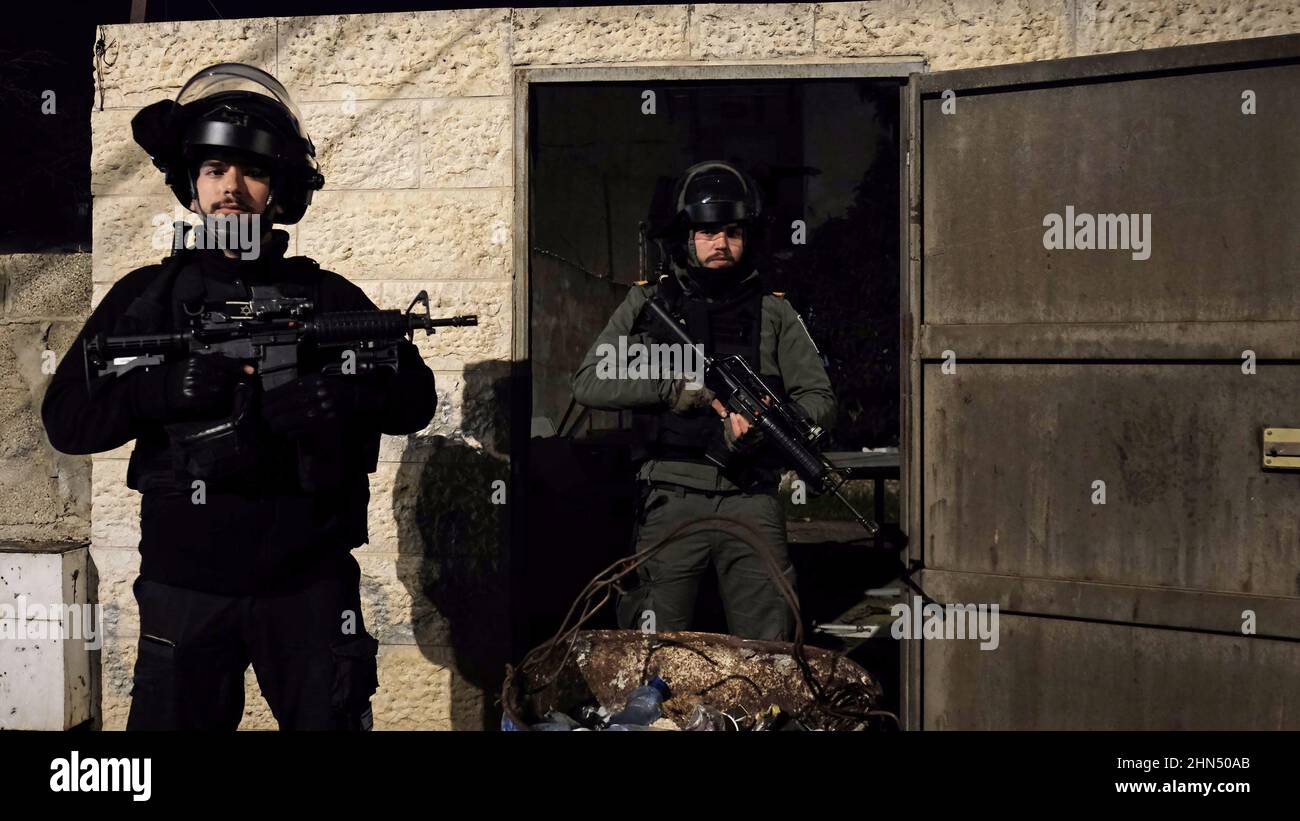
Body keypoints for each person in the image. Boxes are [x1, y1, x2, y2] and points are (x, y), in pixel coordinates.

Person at [41, 63, 436, 730]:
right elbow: (67, 419)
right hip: (185, 587)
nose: (231, 187)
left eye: (251, 171)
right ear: (190, 186)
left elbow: (414, 397)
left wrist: (342, 398)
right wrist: (155, 391)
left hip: (310, 585)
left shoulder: (328, 296)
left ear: (278, 191)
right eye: (214, 168)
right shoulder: (148, 296)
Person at [571, 160, 836, 641]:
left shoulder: (773, 309)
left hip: (750, 496)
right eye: (707, 231)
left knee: (768, 641)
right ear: (685, 237)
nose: (720, 243)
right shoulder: (649, 304)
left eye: (732, 232)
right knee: (655, 642)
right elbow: (588, 382)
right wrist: (671, 391)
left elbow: (819, 398)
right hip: (671, 494)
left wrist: (775, 422)